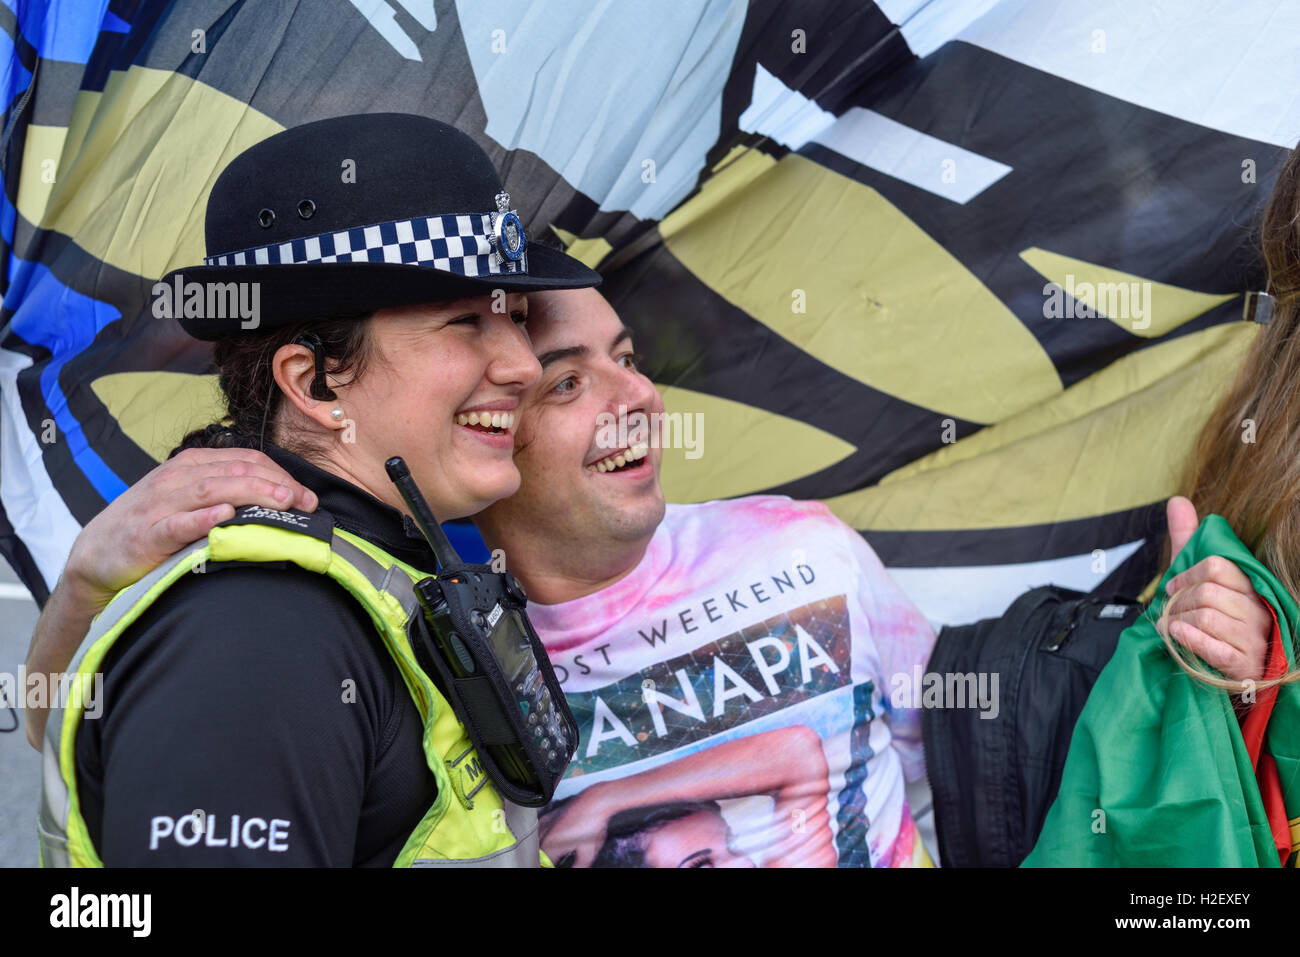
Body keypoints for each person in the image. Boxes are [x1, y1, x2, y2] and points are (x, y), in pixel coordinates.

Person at [29, 111, 602, 867]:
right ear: (314, 382)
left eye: (518, 320)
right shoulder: (259, 631)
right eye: (467, 321)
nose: (523, 365)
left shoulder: (359, 570)